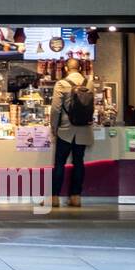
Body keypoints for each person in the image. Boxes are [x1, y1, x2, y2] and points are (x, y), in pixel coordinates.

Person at [50, 58, 94, 208]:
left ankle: (54, 198)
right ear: (80, 68)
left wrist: (53, 128)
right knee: (79, 163)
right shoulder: (89, 83)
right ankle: (76, 197)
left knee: (60, 164)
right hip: (83, 130)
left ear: (66, 69)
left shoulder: (61, 84)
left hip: (65, 130)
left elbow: (55, 109)